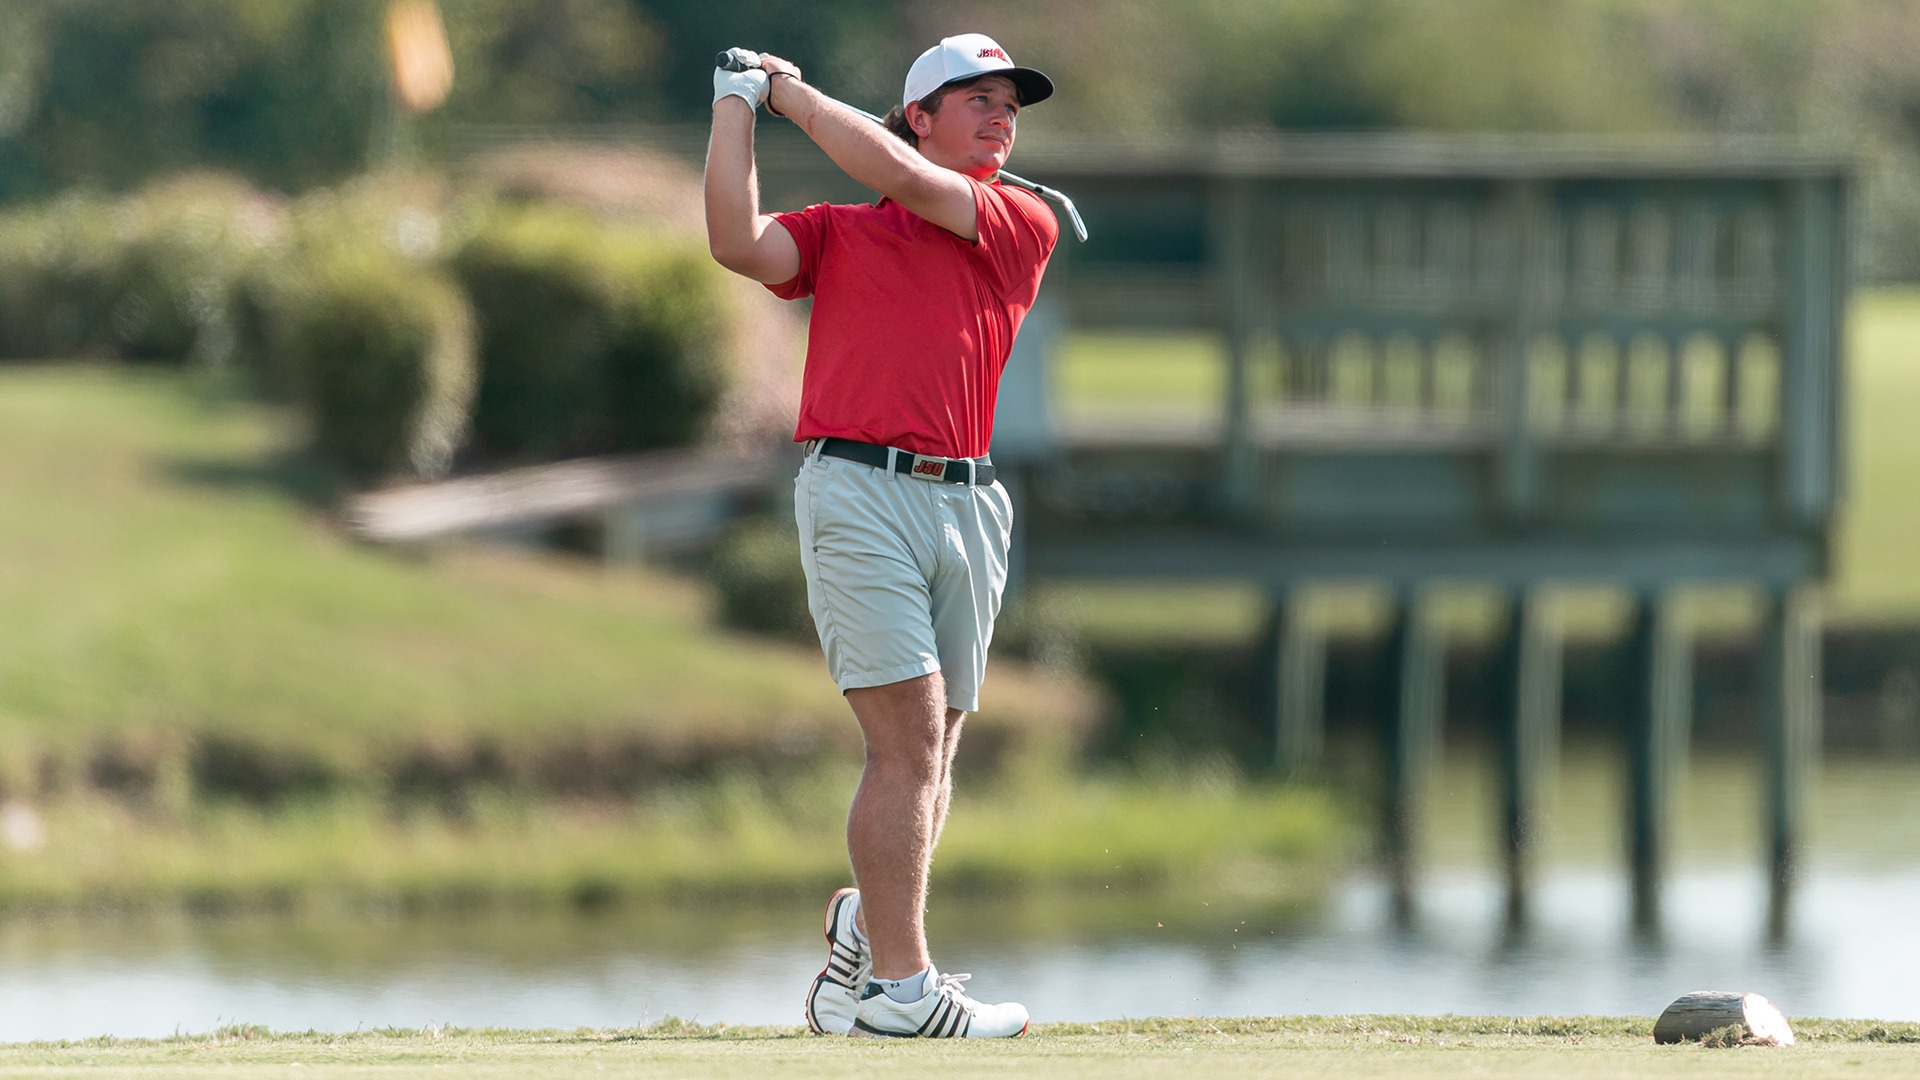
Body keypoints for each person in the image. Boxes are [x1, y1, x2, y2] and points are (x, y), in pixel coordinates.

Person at [703, 33, 1058, 1038]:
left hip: (971, 501)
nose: (1000, 117)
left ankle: (867, 930)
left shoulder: (1016, 218)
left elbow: (898, 174)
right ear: (920, 114)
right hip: (860, 488)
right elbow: (738, 240)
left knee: (935, 750)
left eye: (1009, 105)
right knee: (904, 743)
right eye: (975, 100)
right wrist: (739, 105)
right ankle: (902, 994)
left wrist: (791, 94)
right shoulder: (839, 231)